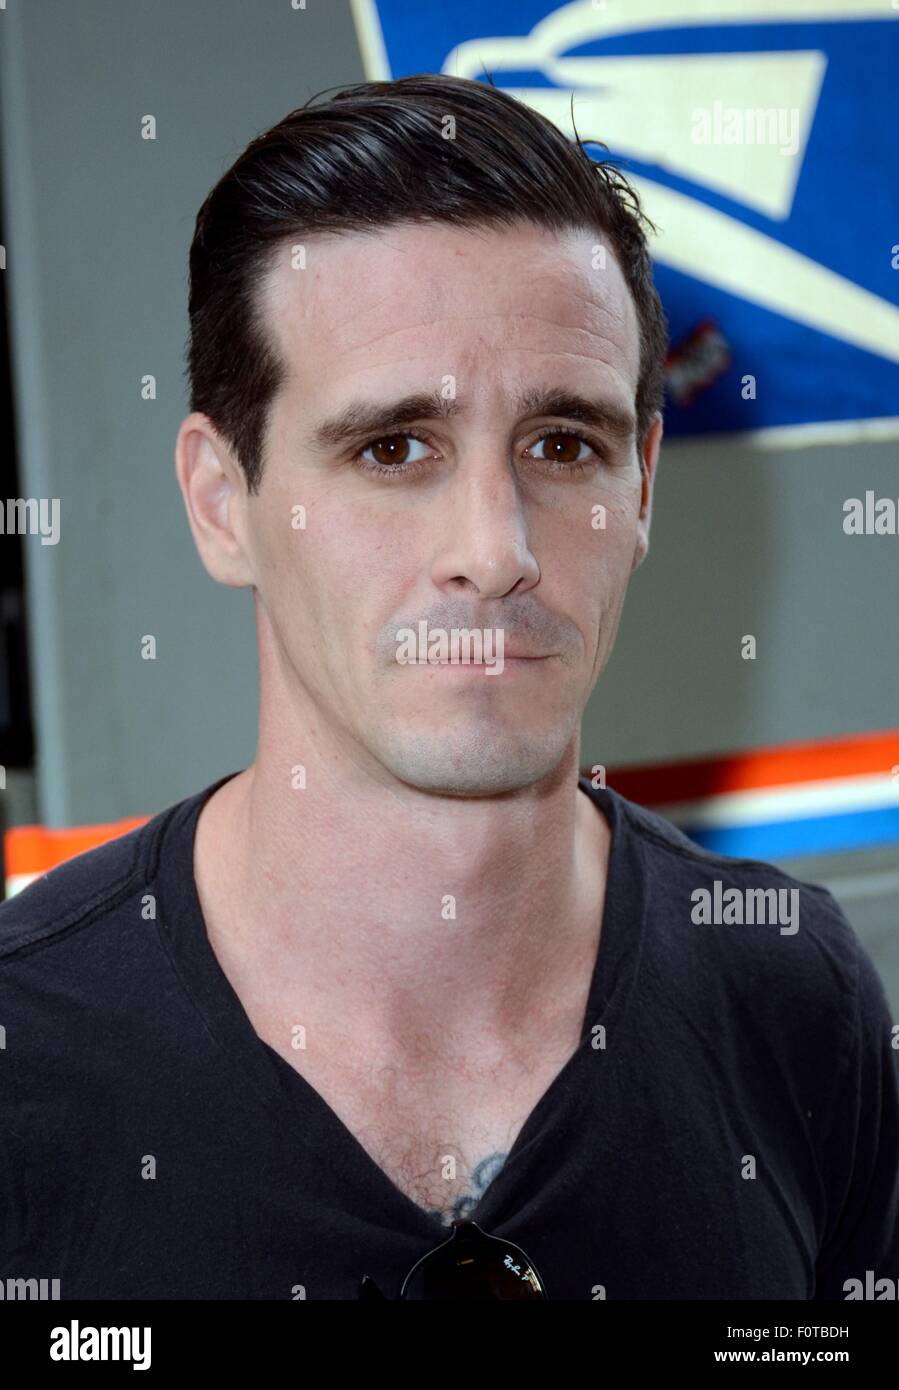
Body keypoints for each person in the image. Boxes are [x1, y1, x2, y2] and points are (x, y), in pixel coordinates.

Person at [1, 74, 896, 1301]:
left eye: (560, 444)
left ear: (639, 488)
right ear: (221, 503)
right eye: (392, 447)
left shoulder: (793, 993)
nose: (498, 546)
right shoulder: (26, 1051)